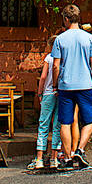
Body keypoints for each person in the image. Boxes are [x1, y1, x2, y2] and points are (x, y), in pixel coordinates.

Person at [52, 4, 92, 169]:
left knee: (65, 122)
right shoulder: (88, 38)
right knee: (89, 119)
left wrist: (55, 85)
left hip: (66, 86)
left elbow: (55, 66)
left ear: (66, 19)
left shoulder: (60, 39)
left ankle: (67, 157)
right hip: (85, 84)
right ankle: (79, 150)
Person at [29, 33, 63, 171]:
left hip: (48, 93)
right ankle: (54, 158)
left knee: (43, 125)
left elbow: (43, 77)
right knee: (57, 126)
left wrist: (39, 92)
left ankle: (39, 158)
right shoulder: (63, 59)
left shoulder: (48, 58)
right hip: (60, 94)